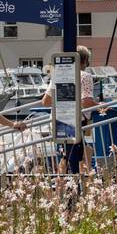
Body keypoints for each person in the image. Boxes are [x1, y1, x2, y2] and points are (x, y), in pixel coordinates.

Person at [40, 45, 98, 173]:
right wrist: (101, 106)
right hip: (75, 122)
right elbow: (86, 101)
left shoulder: (60, 75)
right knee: (79, 157)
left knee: (66, 156)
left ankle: (63, 187)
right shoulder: (85, 76)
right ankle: (77, 187)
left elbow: (45, 101)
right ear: (85, 61)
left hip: (58, 122)